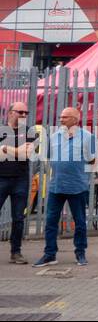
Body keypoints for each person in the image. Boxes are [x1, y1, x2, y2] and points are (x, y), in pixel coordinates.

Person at [34, 107, 96, 268]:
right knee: (51, 221)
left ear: (75, 119)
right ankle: (49, 254)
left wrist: (82, 174)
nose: (61, 120)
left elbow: (93, 160)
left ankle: (80, 252)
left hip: (77, 186)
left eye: (65, 117)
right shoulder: (54, 137)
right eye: (60, 117)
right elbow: (48, 156)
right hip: (56, 185)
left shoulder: (88, 137)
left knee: (80, 221)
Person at [1, 100, 37, 264]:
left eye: (25, 113)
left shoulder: (30, 132)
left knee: (18, 218)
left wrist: (6, 149)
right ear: (10, 113)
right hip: (1, 178)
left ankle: (16, 252)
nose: (23, 115)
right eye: (20, 112)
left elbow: (27, 154)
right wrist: (16, 151)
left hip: (20, 180)